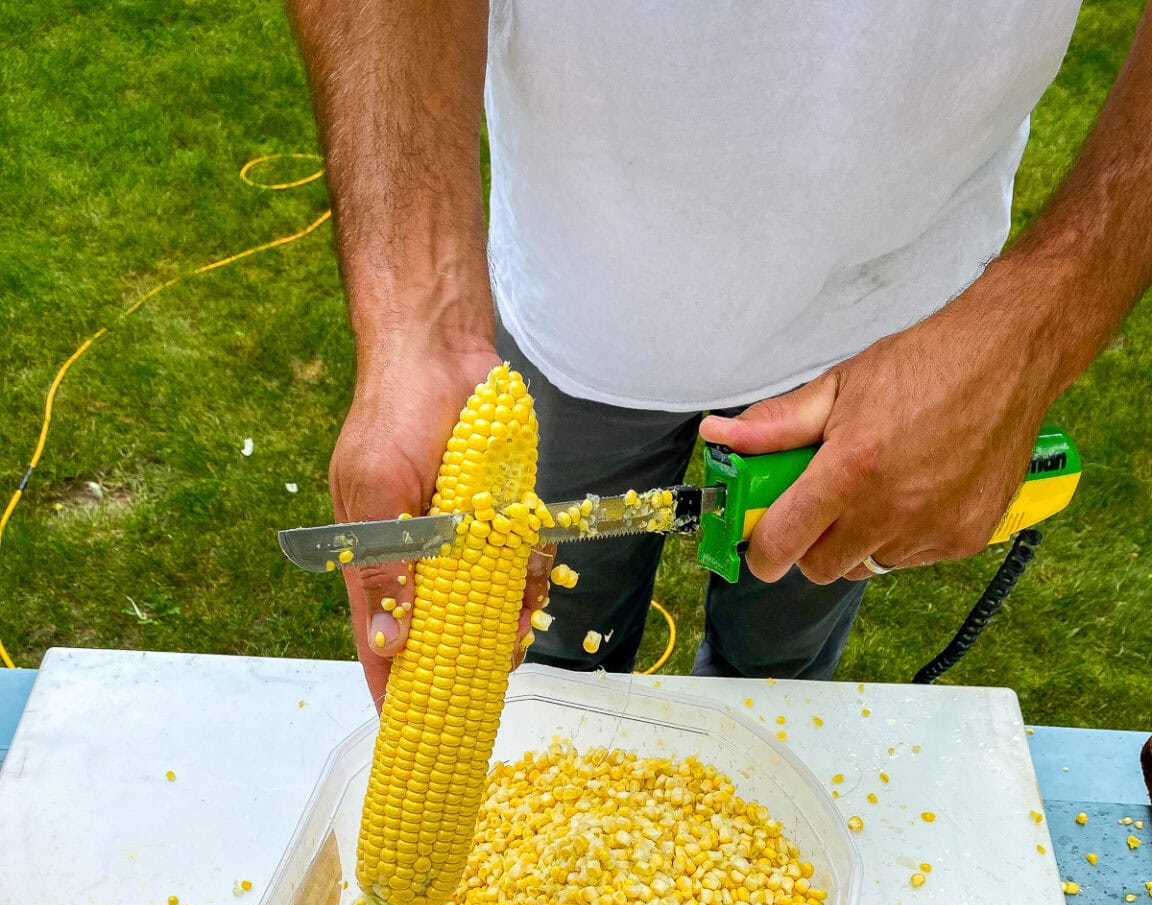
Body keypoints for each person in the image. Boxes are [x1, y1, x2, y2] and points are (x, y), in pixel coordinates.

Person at [288, 0, 1152, 702]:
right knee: (556, 655)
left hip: (893, 344)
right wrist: (417, 315)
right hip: (580, 299)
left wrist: (1031, 334)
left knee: (780, 674)